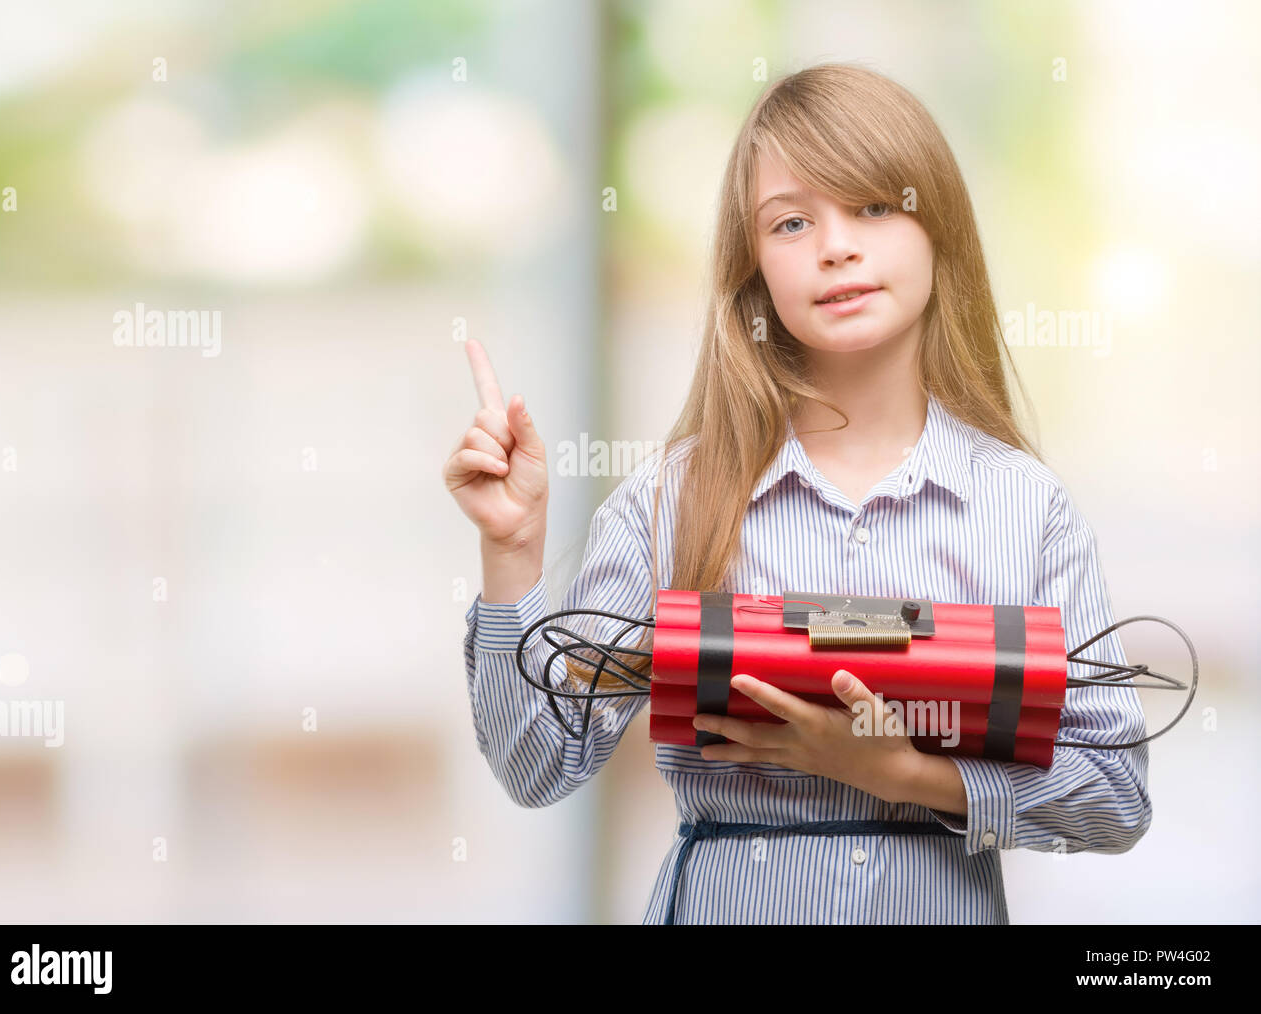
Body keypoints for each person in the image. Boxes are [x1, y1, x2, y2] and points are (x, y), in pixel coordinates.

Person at [443, 62, 1150, 925]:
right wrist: (511, 553)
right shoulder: (669, 499)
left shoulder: (1028, 507)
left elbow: (1116, 797)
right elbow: (536, 765)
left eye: (874, 207)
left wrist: (903, 775)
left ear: (940, 229)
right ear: (754, 272)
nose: (836, 246)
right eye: (791, 222)